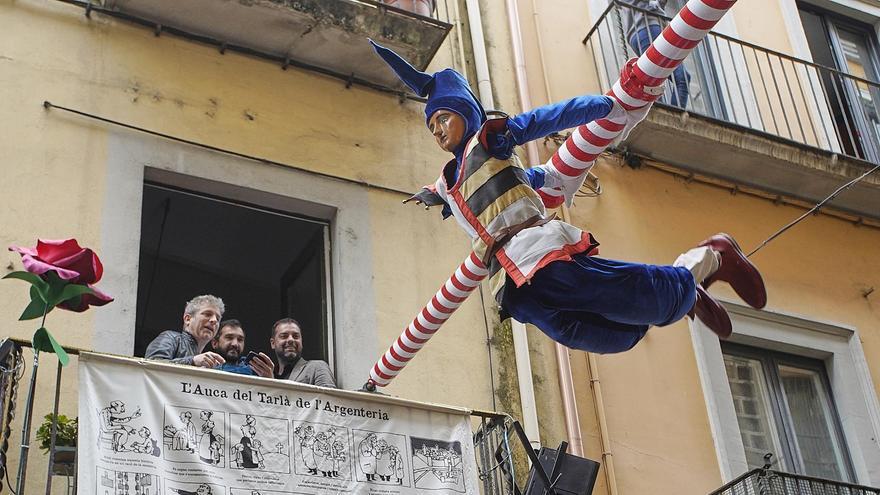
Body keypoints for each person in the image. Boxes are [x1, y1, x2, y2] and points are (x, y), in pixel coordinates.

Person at [369, 40, 766, 351]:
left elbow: (544, 119)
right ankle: (676, 298)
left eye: (442, 119)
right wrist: (429, 195)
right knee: (579, 330)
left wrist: (600, 106)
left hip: (533, 253)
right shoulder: (448, 179)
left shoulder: (490, 140)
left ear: (465, 113)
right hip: (509, 281)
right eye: (431, 127)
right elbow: (482, 186)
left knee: (608, 289)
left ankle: (708, 260)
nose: (437, 131)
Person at [622, 0, 690, 108]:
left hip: (641, 30)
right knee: (682, 78)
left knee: (655, 79)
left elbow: (657, 4)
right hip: (648, 26)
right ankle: (673, 117)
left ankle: (667, 113)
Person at [144, 295, 226, 368]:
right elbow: (151, 366)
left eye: (218, 319)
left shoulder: (207, 361)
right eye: (207, 314)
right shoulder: (170, 338)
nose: (214, 320)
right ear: (188, 319)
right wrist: (192, 361)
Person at [270, 318, 336, 387]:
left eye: (296, 336)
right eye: (284, 336)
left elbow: (328, 397)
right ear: (273, 343)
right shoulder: (265, 375)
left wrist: (271, 383)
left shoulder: (317, 367)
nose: (291, 339)